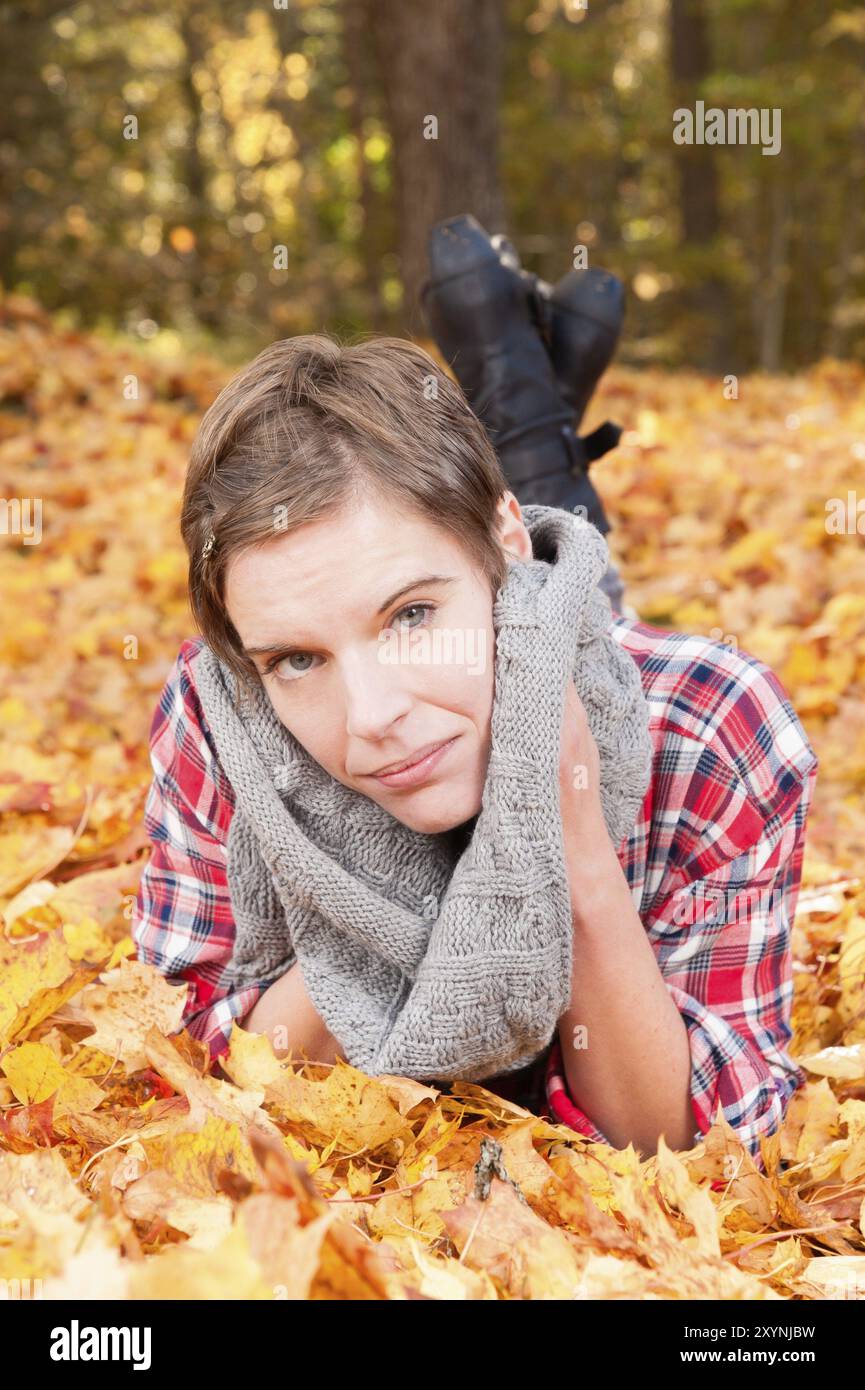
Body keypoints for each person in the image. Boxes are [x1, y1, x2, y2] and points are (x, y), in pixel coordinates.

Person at [132, 329, 818, 1169]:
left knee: (571, 608)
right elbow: (204, 1078)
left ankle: (533, 431)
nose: (371, 716)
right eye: (298, 659)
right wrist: (368, 884)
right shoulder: (226, 718)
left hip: (557, 623)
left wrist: (567, 839)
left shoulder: (716, 722)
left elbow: (693, 1150)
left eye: (409, 616)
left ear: (502, 538)